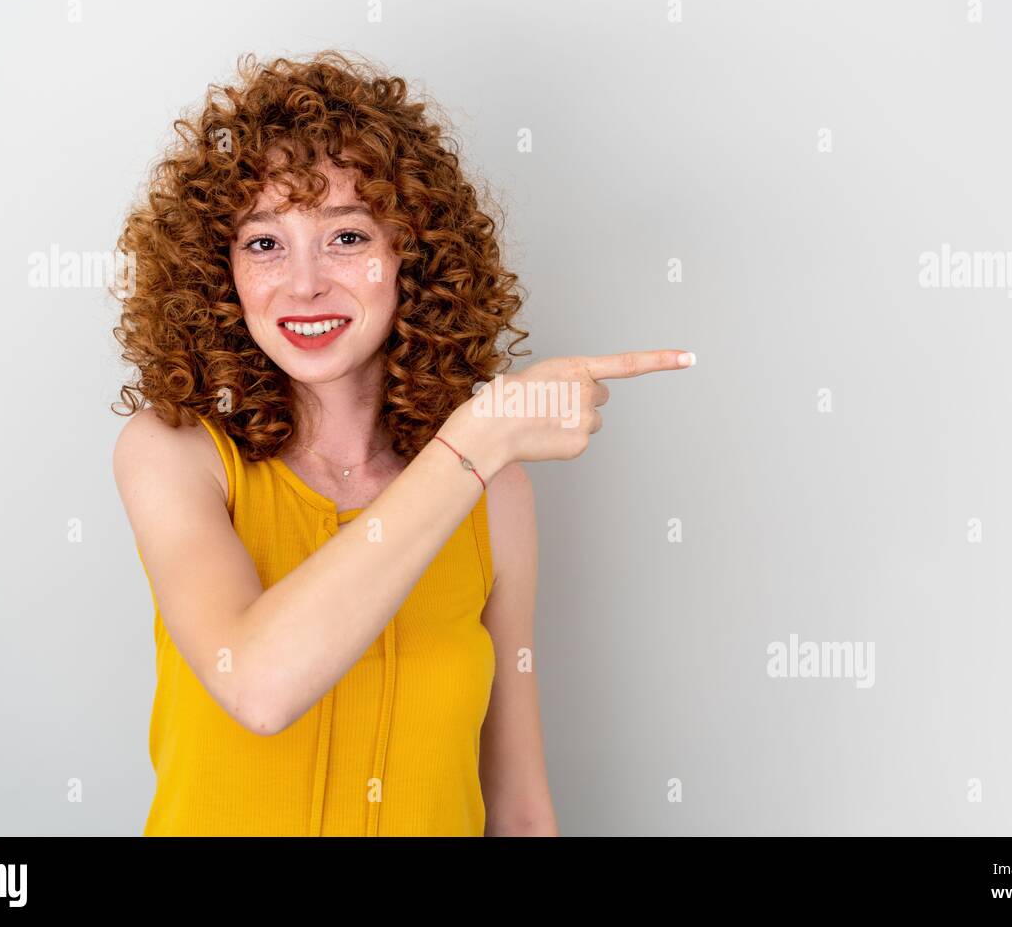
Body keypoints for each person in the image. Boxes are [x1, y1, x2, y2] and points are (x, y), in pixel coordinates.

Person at [110, 50, 695, 836]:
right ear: (220, 273)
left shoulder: (495, 492)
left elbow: (519, 807)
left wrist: (474, 454)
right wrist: (474, 440)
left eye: (346, 237)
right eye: (263, 244)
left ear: (411, 255)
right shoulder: (173, 453)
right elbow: (257, 685)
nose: (305, 283)